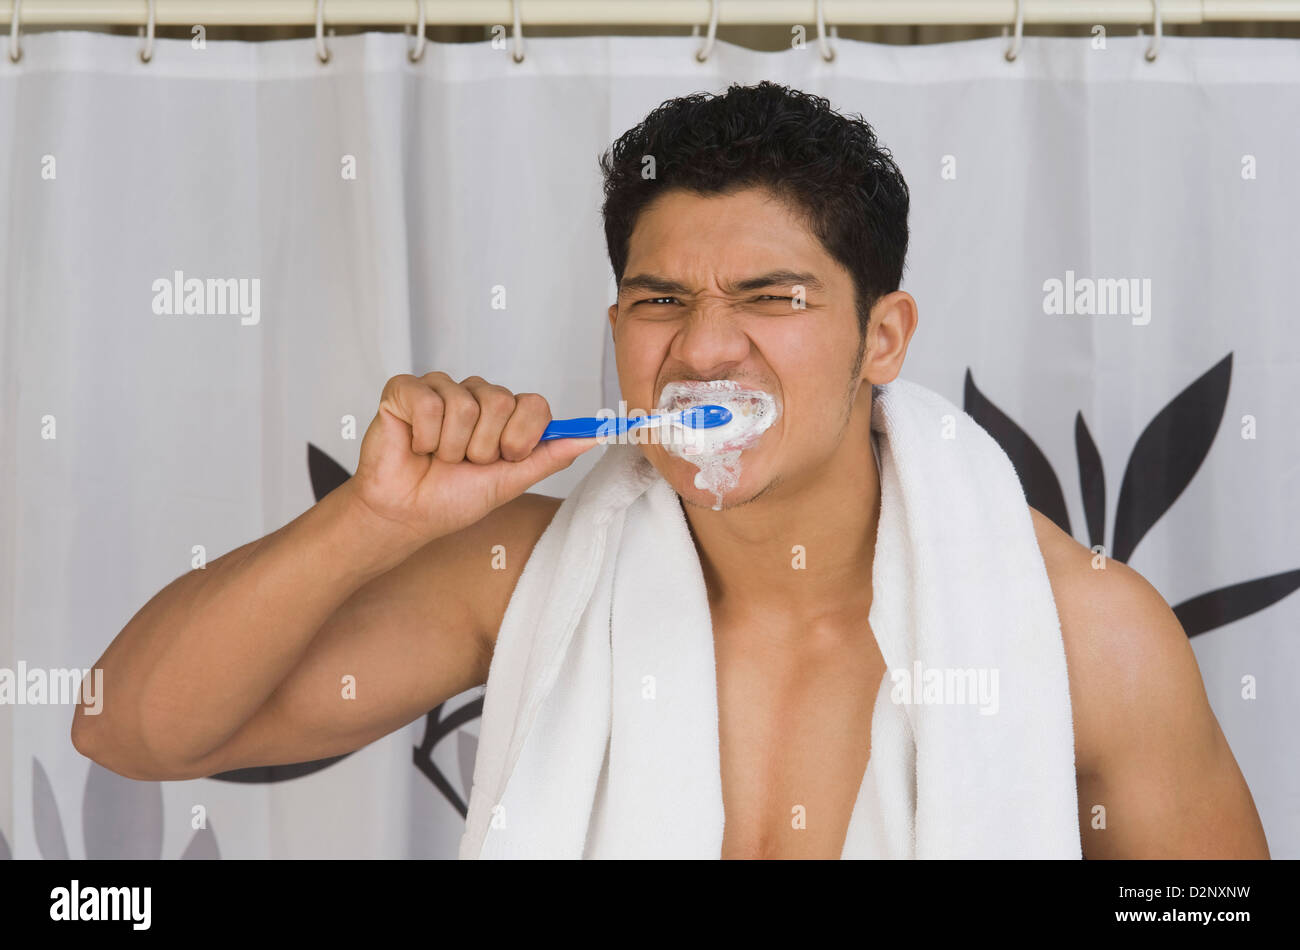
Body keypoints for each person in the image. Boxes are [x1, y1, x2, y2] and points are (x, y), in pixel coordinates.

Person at [72, 81, 1269, 860]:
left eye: (769, 297)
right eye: (660, 301)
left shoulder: (1082, 632)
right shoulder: (519, 573)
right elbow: (131, 729)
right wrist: (372, 520)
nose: (701, 347)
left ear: (883, 338)